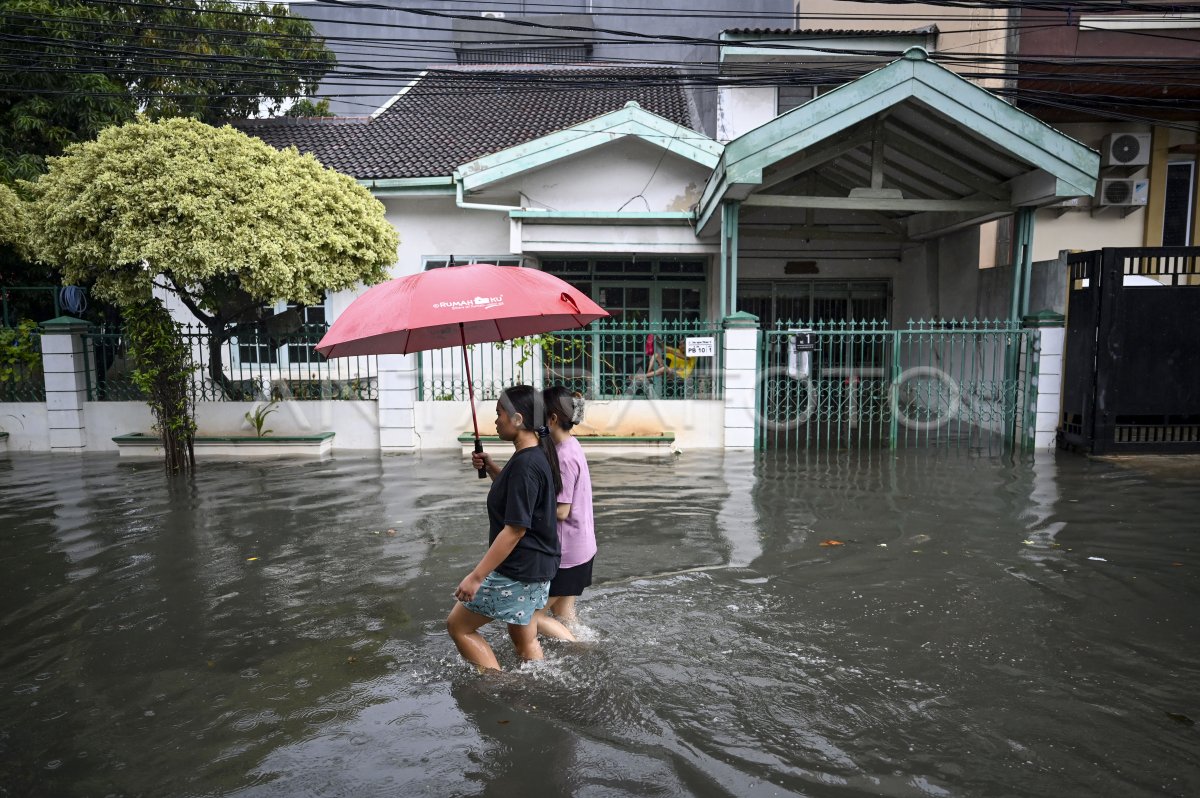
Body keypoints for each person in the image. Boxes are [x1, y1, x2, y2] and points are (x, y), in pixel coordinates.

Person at [447, 385, 562, 670]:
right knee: (522, 637)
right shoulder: (535, 454)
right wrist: (492, 467)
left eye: (499, 414)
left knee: (458, 626)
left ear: (518, 419)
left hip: (519, 568)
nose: (496, 421)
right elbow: (521, 496)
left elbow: (515, 530)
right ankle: (539, 685)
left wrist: (476, 577)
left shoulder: (526, 464)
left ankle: (498, 687)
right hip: (539, 564)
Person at [538, 385, 596, 630]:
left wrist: (526, 513)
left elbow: (562, 511)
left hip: (567, 556)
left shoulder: (563, 457)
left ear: (551, 419)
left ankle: (580, 648)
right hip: (582, 549)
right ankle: (582, 649)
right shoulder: (571, 445)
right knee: (563, 614)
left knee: (530, 618)